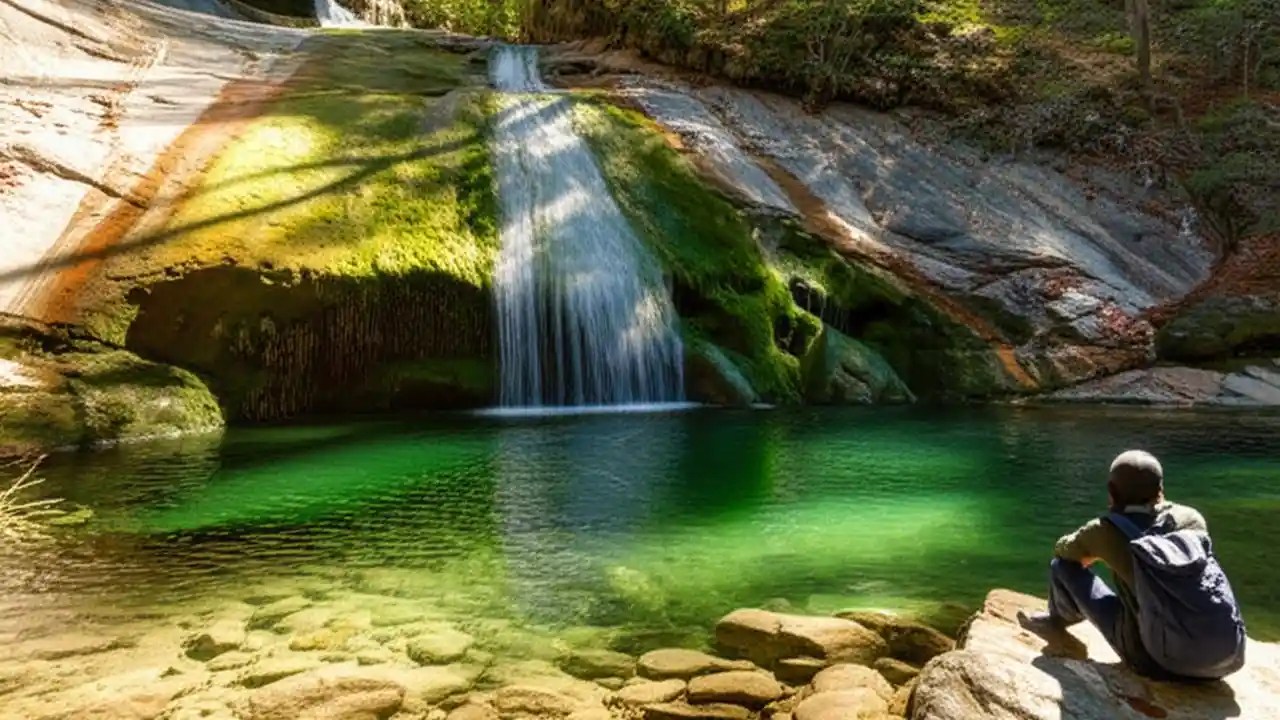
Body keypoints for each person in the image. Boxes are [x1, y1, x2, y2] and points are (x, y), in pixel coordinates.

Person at [1019, 449, 1247, 679]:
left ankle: (1057, 620)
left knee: (1062, 566)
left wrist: (1101, 552)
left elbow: (1063, 550)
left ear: (1111, 492)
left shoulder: (1105, 530)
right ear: (1160, 489)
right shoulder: (1192, 519)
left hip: (1153, 662)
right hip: (1225, 660)